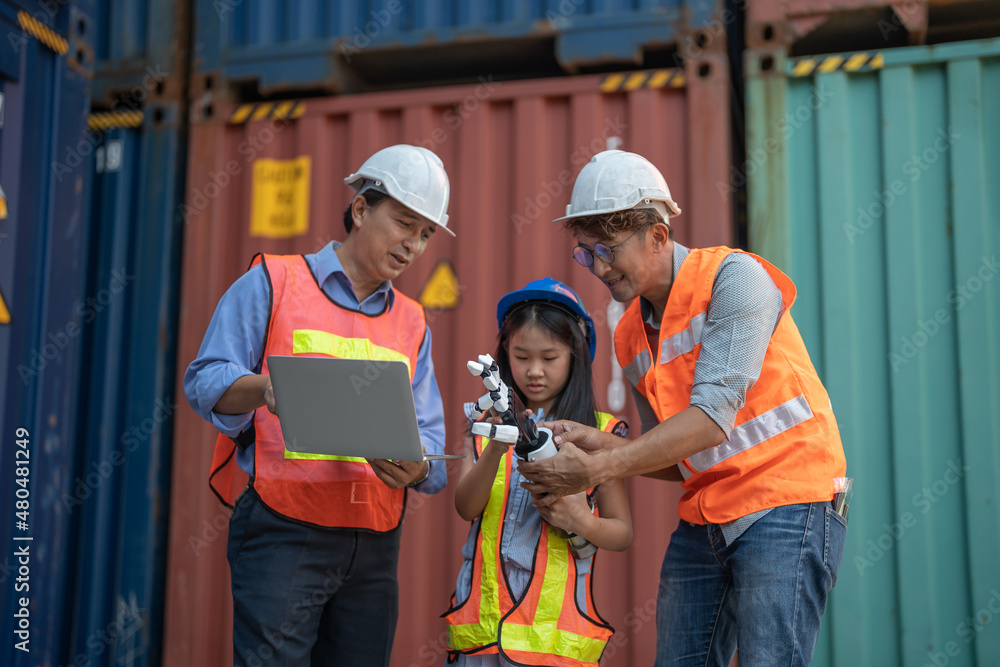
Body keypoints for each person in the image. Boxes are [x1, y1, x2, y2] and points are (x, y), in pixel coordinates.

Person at [517, 150, 848, 666]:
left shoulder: (736, 279)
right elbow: (673, 453)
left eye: (608, 250)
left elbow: (713, 418)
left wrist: (600, 465)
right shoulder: (629, 335)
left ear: (657, 233)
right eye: (586, 254)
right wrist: (605, 442)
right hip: (706, 517)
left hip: (785, 504)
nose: (599, 268)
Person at [184, 144, 454, 667]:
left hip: (374, 546)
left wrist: (417, 466)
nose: (414, 245)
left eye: (425, 233)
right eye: (403, 223)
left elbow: (434, 453)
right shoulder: (274, 282)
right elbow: (205, 380)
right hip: (285, 533)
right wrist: (265, 388)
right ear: (360, 210)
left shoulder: (413, 322)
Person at [443, 277, 633, 667]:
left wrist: (582, 520)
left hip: (555, 645)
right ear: (503, 355)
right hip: (483, 638)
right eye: (521, 356)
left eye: (549, 358)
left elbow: (622, 532)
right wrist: (496, 444)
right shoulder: (484, 422)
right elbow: (466, 506)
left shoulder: (601, 434)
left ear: (575, 355)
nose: (534, 371)